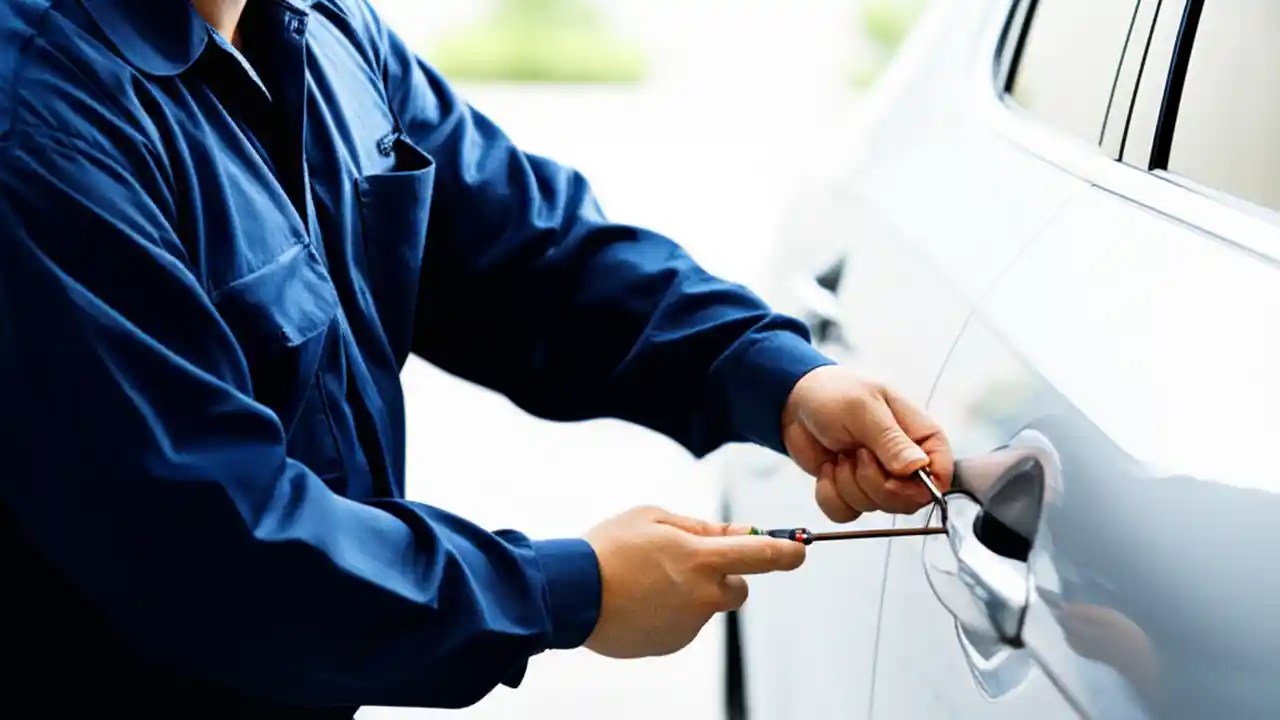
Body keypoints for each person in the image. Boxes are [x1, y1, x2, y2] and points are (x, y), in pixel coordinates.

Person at [0, 0, 953, 716]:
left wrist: (774, 376)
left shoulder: (318, 31)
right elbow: (208, 542)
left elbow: (524, 254)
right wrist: (570, 590)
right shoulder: (37, 115)